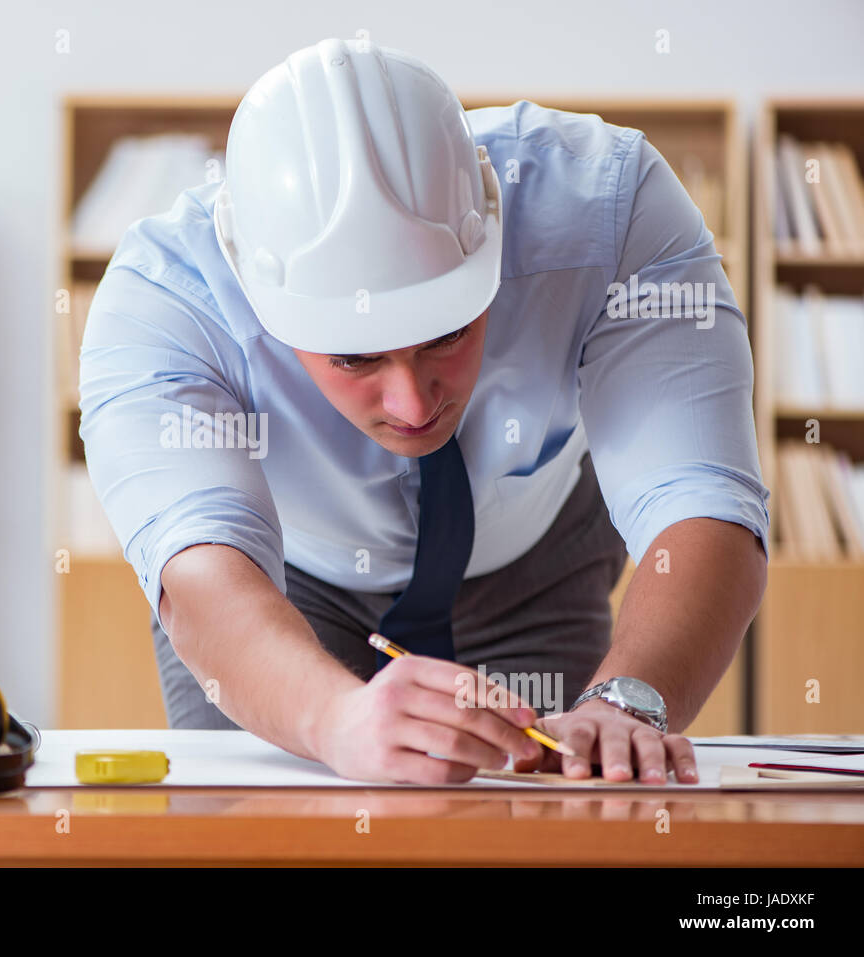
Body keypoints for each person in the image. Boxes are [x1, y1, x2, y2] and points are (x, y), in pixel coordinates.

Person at [77, 37, 769, 785]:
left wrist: (627, 702)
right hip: (285, 582)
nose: (412, 403)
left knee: (558, 813)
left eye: (448, 332)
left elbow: (700, 496)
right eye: (354, 357)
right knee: (273, 829)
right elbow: (201, 566)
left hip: (535, 560)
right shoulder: (163, 303)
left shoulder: (610, 209)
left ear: (492, 218)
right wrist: (334, 718)